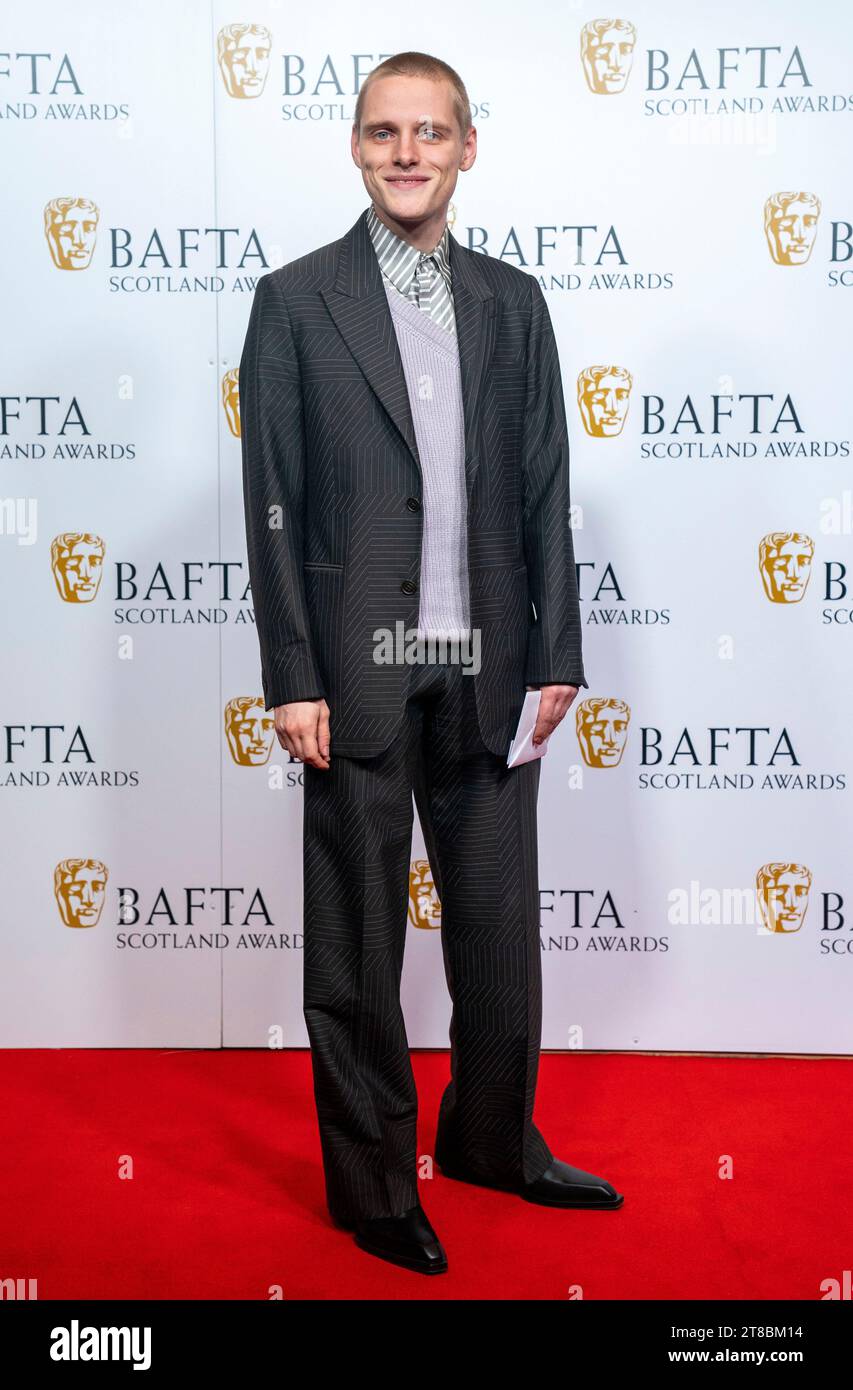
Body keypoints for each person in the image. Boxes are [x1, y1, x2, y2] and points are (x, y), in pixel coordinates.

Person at [239, 50, 623, 1277]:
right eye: (383, 132)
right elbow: (276, 504)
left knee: (501, 932)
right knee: (355, 944)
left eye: (430, 132)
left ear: (467, 149)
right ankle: (371, 1188)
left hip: (487, 661)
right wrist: (290, 672)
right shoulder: (296, 302)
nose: (407, 152)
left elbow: (548, 490)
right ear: (355, 147)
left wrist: (556, 650)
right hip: (354, 668)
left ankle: (491, 1141)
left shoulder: (516, 304)